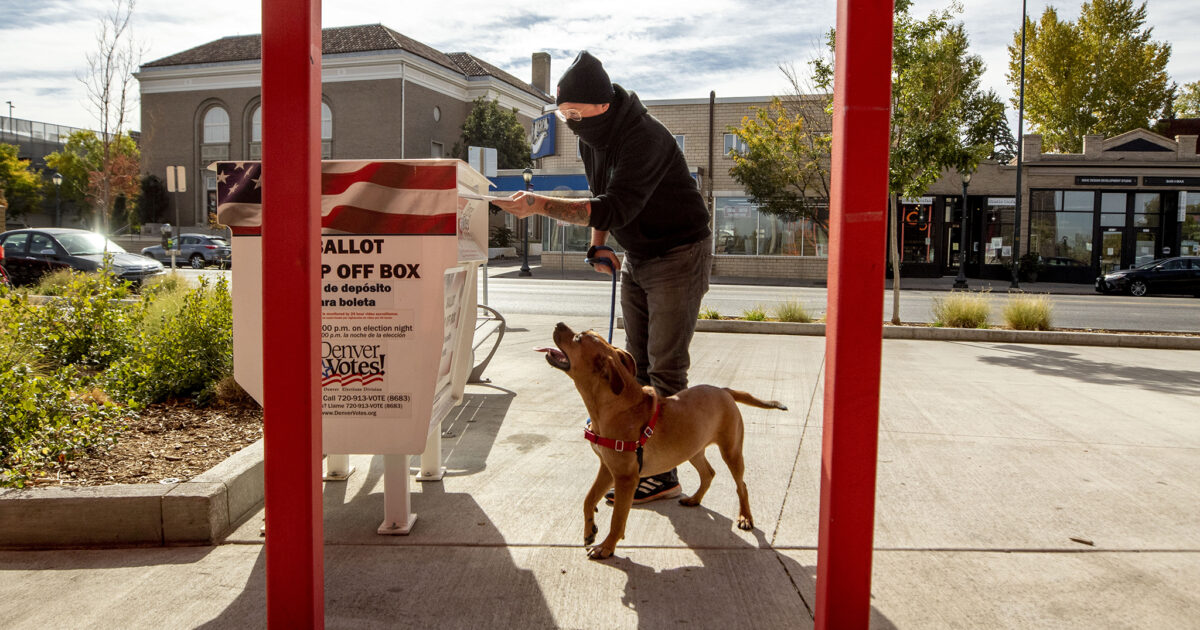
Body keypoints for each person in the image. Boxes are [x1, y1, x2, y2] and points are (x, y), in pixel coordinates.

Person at [492, 50, 712, 504]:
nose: (569, 121)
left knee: (667, 367)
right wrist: (598, 243)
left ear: (602, 104)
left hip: (679, 252)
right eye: (563, 113)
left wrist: (539, 204)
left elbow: (618, 206)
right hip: (637, 252)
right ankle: (642, 458)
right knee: (637, 364)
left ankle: (662, 471)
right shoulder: (592, 136)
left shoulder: (645, 138)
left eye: (575, 112)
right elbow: (602, 197)